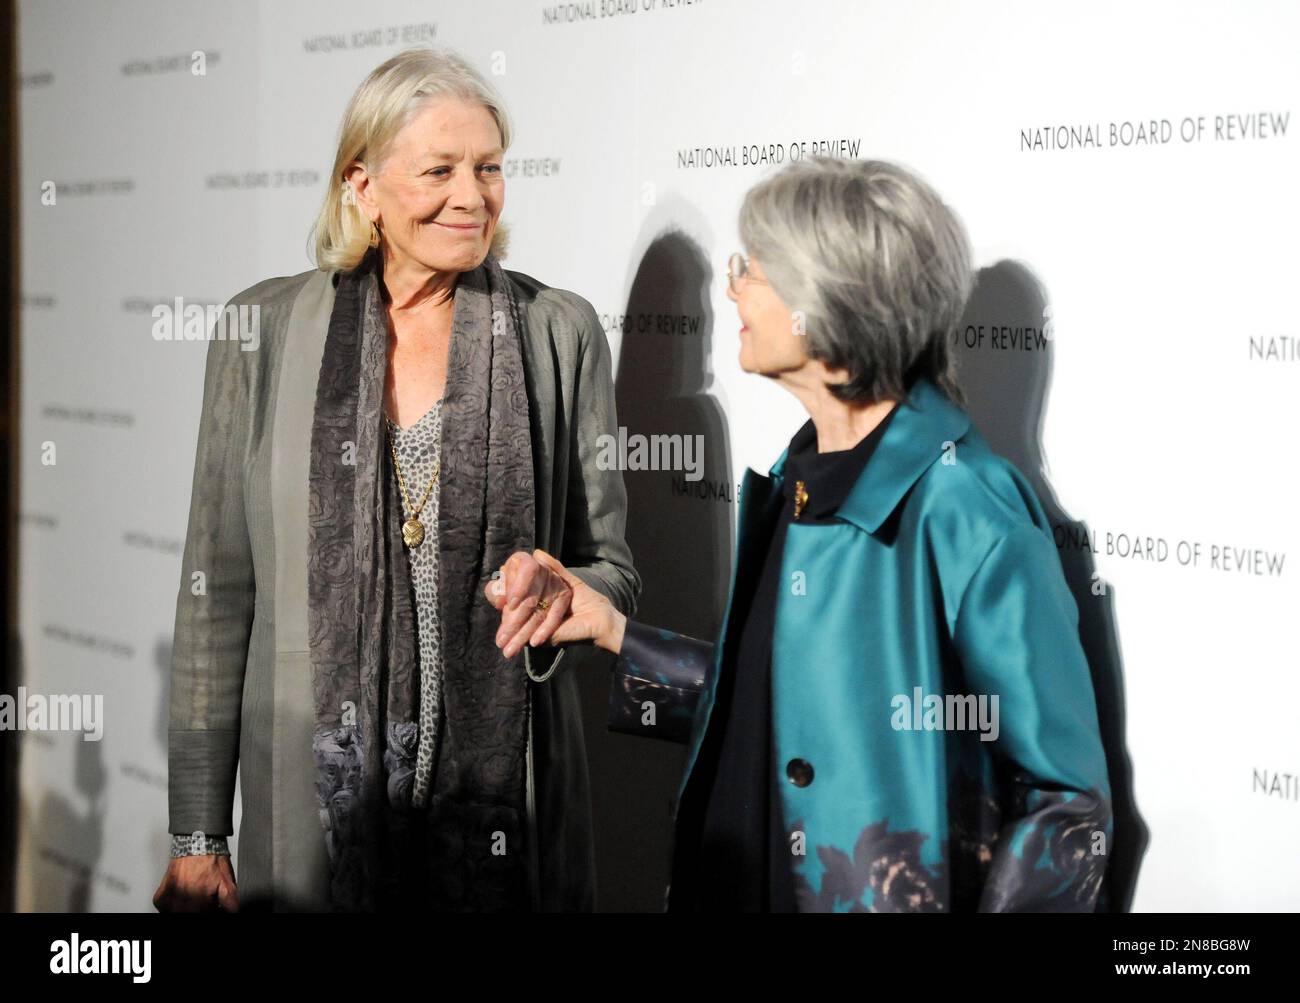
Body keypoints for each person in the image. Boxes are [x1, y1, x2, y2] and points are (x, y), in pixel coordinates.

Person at [487, 157, 1112, 912]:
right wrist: (617, 632)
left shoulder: (965, 503)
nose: (732, 284)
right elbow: (788, 710)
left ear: (835, 295)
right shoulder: (797, 476)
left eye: (755, 265)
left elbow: (1068, 803)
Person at [154, 46, 639, 913]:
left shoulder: (557, 333)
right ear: (363, 187)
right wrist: (197, 834)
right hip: (311, 805)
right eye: (440, 170)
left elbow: (612, 568)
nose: (473, 195)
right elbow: (216, 593)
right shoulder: (258, 331)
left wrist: (563, 588)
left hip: (503, 803)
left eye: (489, 168)